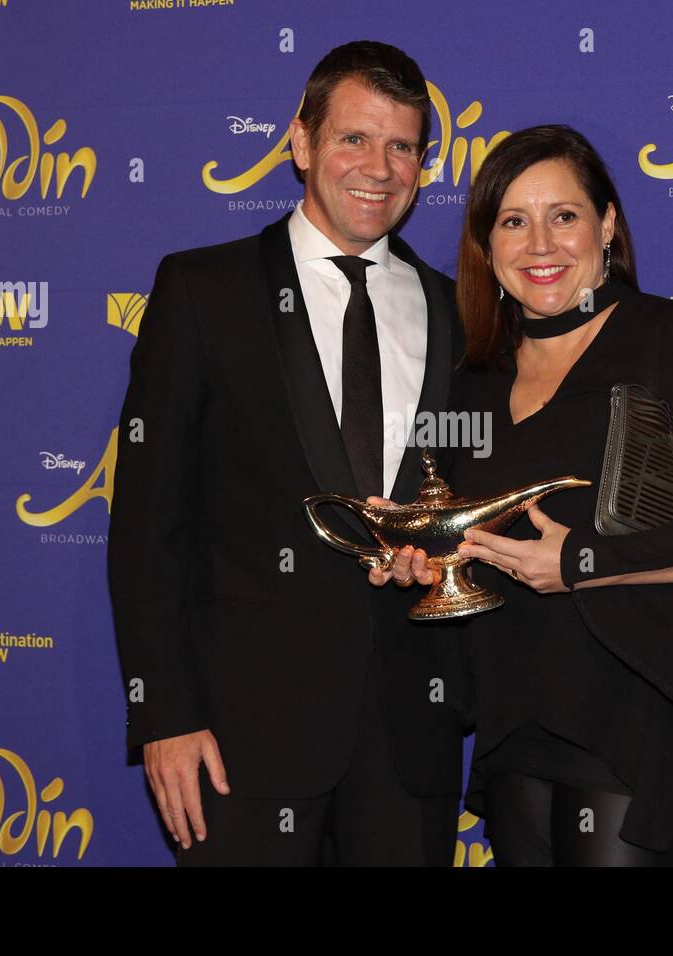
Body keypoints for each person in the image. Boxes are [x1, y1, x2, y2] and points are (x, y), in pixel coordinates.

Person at [373, 125, 673, 865]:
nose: (540, 243)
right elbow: (463, 532)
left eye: (563, 215)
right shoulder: (474, 377)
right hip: (515, 720)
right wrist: (416, 555)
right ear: (486, 245)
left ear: (606, 225)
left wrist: (585, 563)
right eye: (513, 221)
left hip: (642, 717)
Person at [108, 40, 468, 866]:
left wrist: (438, 558)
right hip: (238, 741)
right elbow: (146, 528)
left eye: (404, 146)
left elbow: (459, 499)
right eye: (354, 139)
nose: (380, 167)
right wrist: (165, 712)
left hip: (411, 736)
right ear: (301, 143)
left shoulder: (457, 315)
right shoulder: (203, 292)